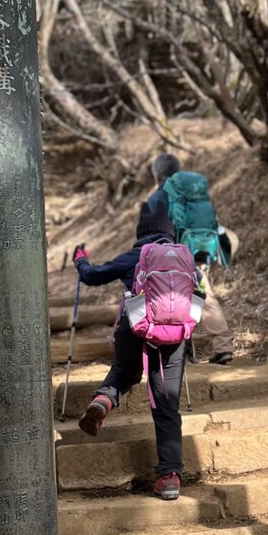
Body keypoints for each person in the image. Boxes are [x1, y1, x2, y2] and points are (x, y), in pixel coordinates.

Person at [73, 204, 201, 500]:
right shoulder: (183, 257)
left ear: (141, 231)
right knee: (166, 405)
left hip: (135, 326)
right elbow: (200, 292)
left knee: (124, 372)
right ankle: (170, 478)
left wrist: (80, 260)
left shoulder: (137, 255)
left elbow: (91, 276)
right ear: (170, 231)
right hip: (174, 337)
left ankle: (104, 400)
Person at [147, 153, 234, 365]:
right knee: (202, 296)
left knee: (178, 300)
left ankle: (188, 349)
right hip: (199, 251)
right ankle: (219, 346)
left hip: (174, 255)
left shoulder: (160, 196)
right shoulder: (192, 191)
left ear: (156, 174)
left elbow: (153, 231)